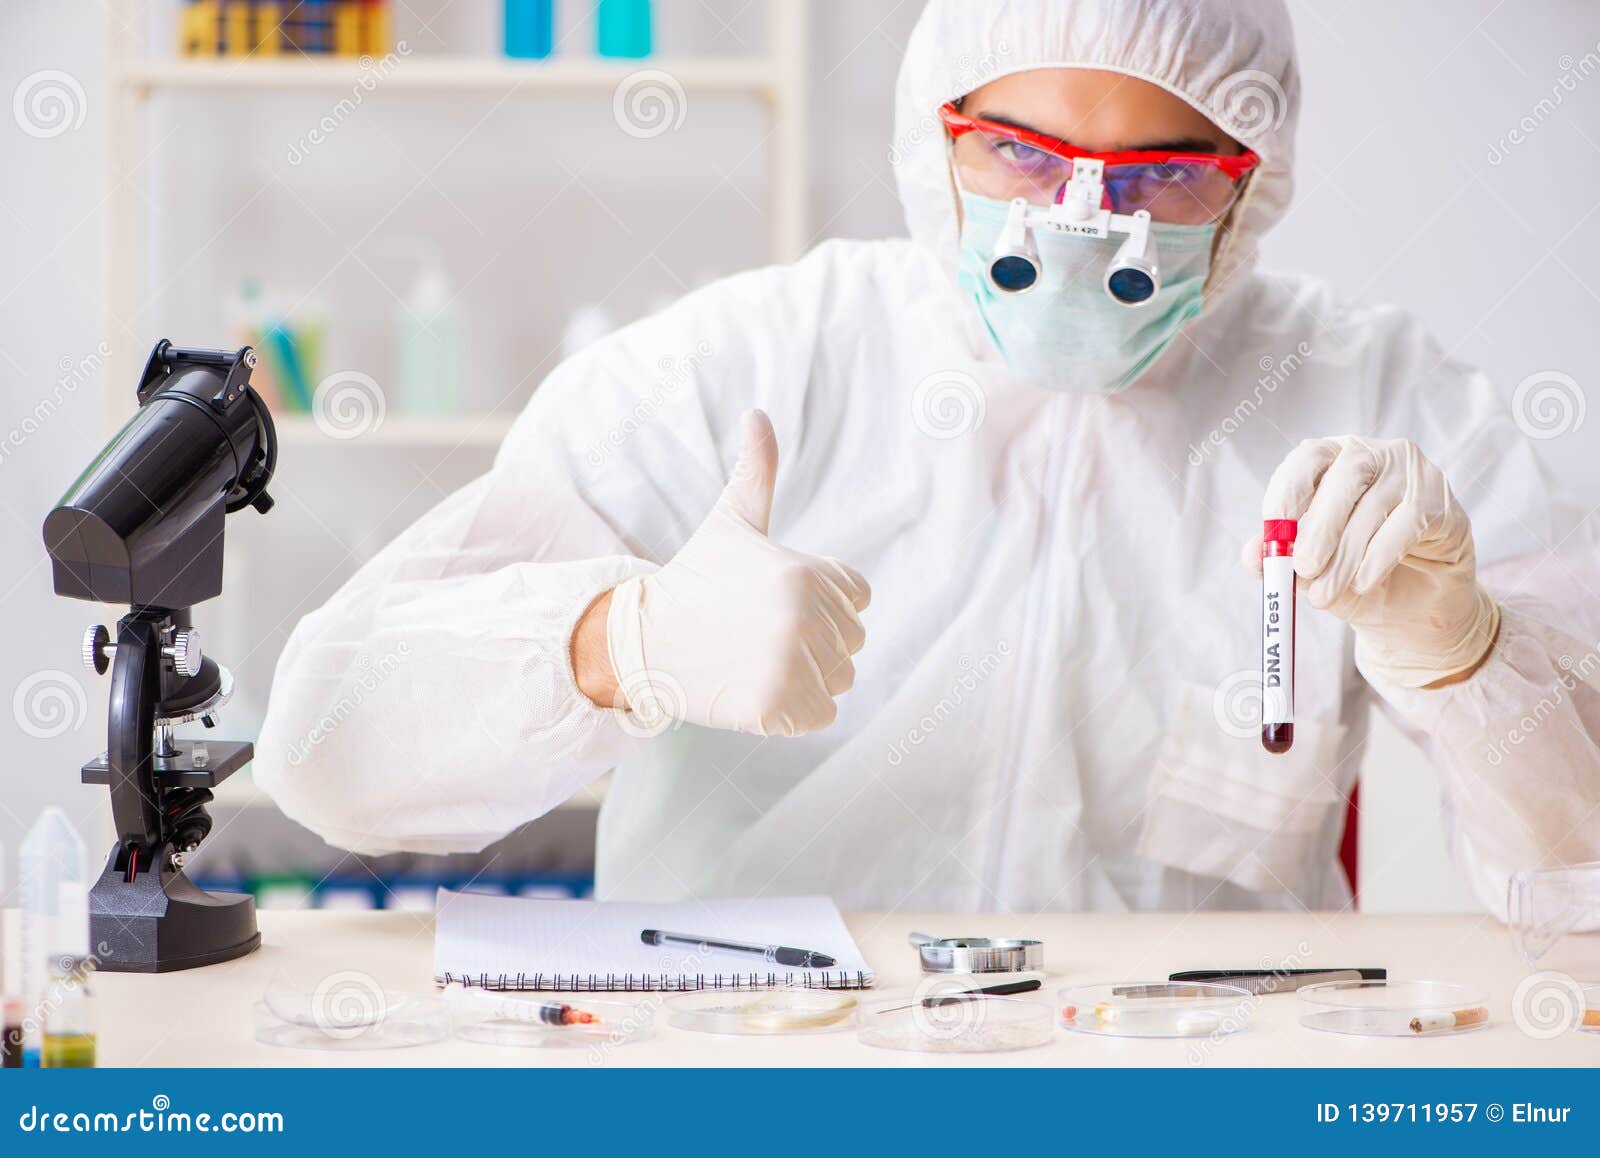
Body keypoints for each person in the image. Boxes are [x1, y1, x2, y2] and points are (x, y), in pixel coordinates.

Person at [255, 0, 1600, 916]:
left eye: (1161, 177)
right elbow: (325, 744)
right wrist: (625, 641)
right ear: (932, 138)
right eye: (1018, 155)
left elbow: (1584, 886)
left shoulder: (1376, 399)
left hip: (1177, 1085)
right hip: (749, 1077)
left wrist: (1471, 657)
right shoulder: (754, 365)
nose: (1084, 226)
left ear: (1252, 181)